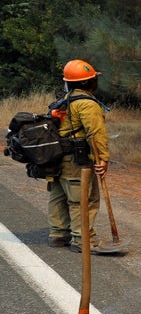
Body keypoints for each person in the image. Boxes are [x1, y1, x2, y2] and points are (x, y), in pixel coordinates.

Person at [48, 59, 111, 253]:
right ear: (87, 83)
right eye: (92, 78)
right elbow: (96, 133)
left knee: (59, 194)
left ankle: (58, 234)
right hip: (77, 160)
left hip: (57, 157)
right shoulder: (87, 104)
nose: (95, 81)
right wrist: (103, 159)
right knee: (84, 199)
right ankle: (82, 239)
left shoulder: (62, 101)